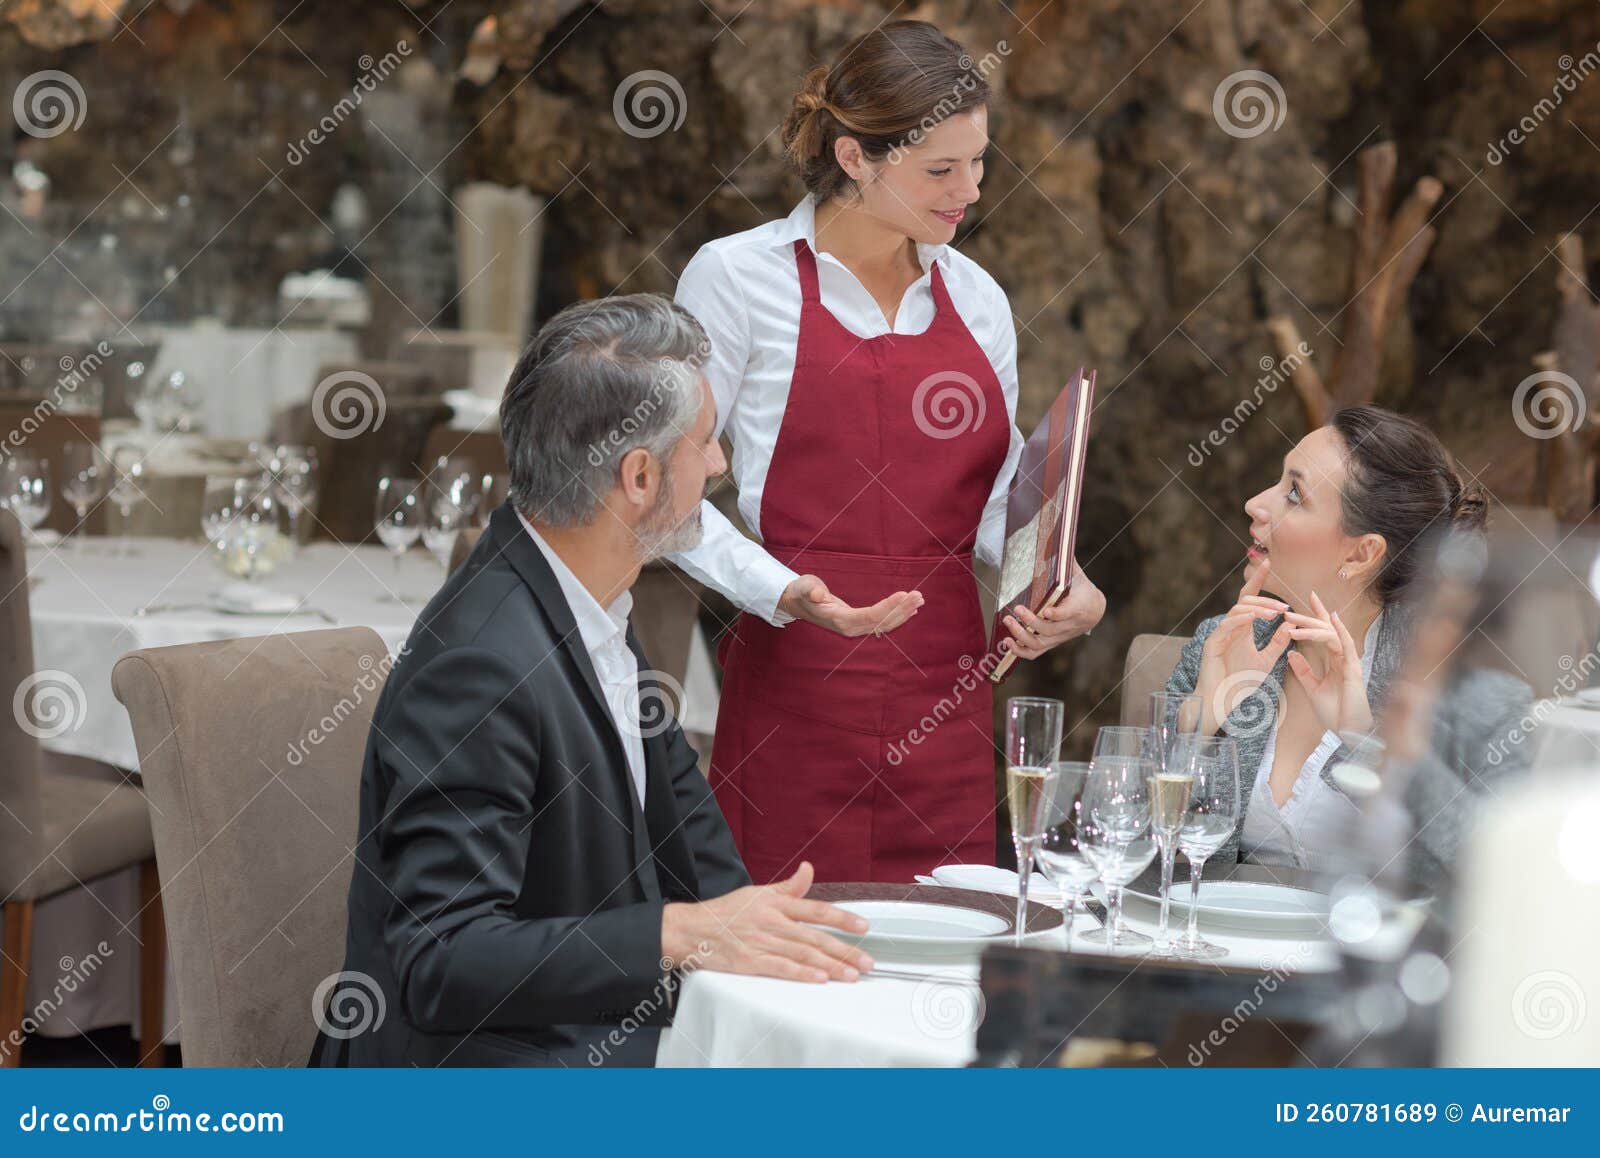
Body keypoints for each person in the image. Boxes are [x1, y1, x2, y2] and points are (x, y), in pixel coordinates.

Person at [310, 294, 873, 1069]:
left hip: (592, 1033)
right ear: (638, 476)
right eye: (705, 443)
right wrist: (683, 933)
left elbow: (684, 825)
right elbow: (441, 962)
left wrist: (762, 933)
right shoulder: (479, 666)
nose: (719, 465)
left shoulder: (581, 586)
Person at [671, 21, 1106, 885]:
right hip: (795, 692)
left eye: (979, 161)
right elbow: (665, 494)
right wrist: (782, 591)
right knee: (780, 970)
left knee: (938, 978)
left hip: (944, 702)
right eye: (940, 170)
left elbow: (996, 500)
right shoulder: (734, 279)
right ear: (855, 157)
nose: (970, 190)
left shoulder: (978, 298)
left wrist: (1061, 582)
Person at [1164, 404, 1531, 886]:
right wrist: (1199, 725)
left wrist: (1369, 746)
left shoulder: (1465, 695)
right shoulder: (1221, 645)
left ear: (1362, 553)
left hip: (1369, 957)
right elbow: (1135, 861)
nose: (1256, 503)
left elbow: (1500, 883)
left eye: (1294, 494)